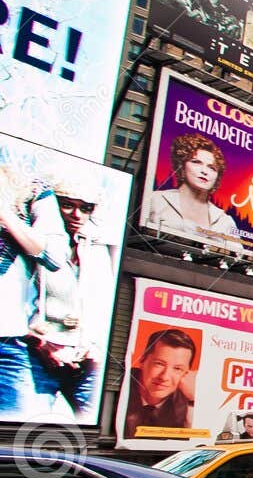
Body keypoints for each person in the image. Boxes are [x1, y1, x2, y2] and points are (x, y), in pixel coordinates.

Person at [31, 177, 114, 419]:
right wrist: (42, 342)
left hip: (85, 360)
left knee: (88, 424)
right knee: (27, 425)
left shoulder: (97, 247)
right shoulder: (34, 241)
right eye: (67, 205)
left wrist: (94, 348)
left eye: (85, 208)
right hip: (39, 355)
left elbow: (103, 302)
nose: (76, 215)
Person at [0, 168, 68, 418]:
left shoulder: (28, 187)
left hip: (7, 343)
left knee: (19, 442)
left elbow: (54, 256)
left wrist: (6, 216)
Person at [147, 135, 241, 244]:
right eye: (196, 162)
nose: (204, 171)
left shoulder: (224, 220)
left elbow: (236, 255)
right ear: (181, 166)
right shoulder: (155, 199)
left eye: (212, 168)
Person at [122, 329, 197, 438]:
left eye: (177, 368)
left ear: (187, 373)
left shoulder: (187, 402)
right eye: (159, 364)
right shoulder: (122, 387)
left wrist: (192, 401)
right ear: (142, 361)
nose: (164, 377)